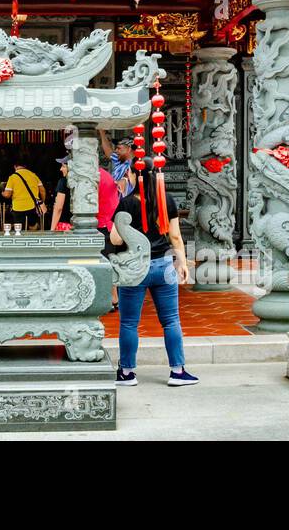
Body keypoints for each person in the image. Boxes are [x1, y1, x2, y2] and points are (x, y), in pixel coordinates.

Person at [111, 158, 198, 387]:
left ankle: (127, 373)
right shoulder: (166, 200)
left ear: (132, 175)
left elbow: (115, 238)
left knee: (129, 323)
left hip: (134, 268)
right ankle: (177, 371)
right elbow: (176, 236)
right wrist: (182, 263)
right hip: (163, 265)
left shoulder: (127, 203)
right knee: (171, 320)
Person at [2, 162, 45, 230]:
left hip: (18, 208)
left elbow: (7, 195)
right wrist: (42, 201)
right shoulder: (33, 175)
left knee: (19, 229)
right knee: (33, 227)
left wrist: (2, 193)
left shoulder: (12, 177)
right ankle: (33, 239)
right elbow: (42, 191)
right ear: (25, 166)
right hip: (32, 206)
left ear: (15, 166)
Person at [98, 129, 138, 199]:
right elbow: (109, 152)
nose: (116, 151)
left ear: (128, 149)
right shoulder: (120, 161)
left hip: (122, 206)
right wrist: (102, 134)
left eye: (119, 148)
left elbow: (123, 182)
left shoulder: (134, 167)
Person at [49, 157, 71, 231]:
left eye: (63, 166)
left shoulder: (63, 182)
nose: (60, 169)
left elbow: (58, 208)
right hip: (77, 226)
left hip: (65, 226)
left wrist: (52, 229)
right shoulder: (80, 183)